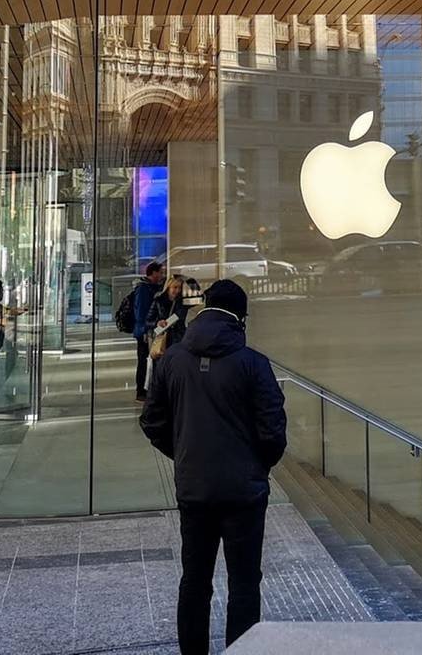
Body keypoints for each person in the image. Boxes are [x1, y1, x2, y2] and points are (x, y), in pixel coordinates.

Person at [140, 279, 286, 655]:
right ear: (240, 317)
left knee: (194, 582)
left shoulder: (171, 360)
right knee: (244, 585)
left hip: (195, 489)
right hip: (244, 492)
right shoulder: (254, 364)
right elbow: (273, 431)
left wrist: (187, 452)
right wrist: (255, 464)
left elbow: (152, 422)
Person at [124, 261, 165, 401]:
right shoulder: (144, 289)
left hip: (149, 330)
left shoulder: (152, 287)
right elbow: (141, 313)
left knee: (148, 360)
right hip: (144, 331)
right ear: (153, 273)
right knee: (143, 360)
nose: (162, 275)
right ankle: (141, 391)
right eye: (160, 272)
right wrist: (149, 326)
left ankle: (148, 389)